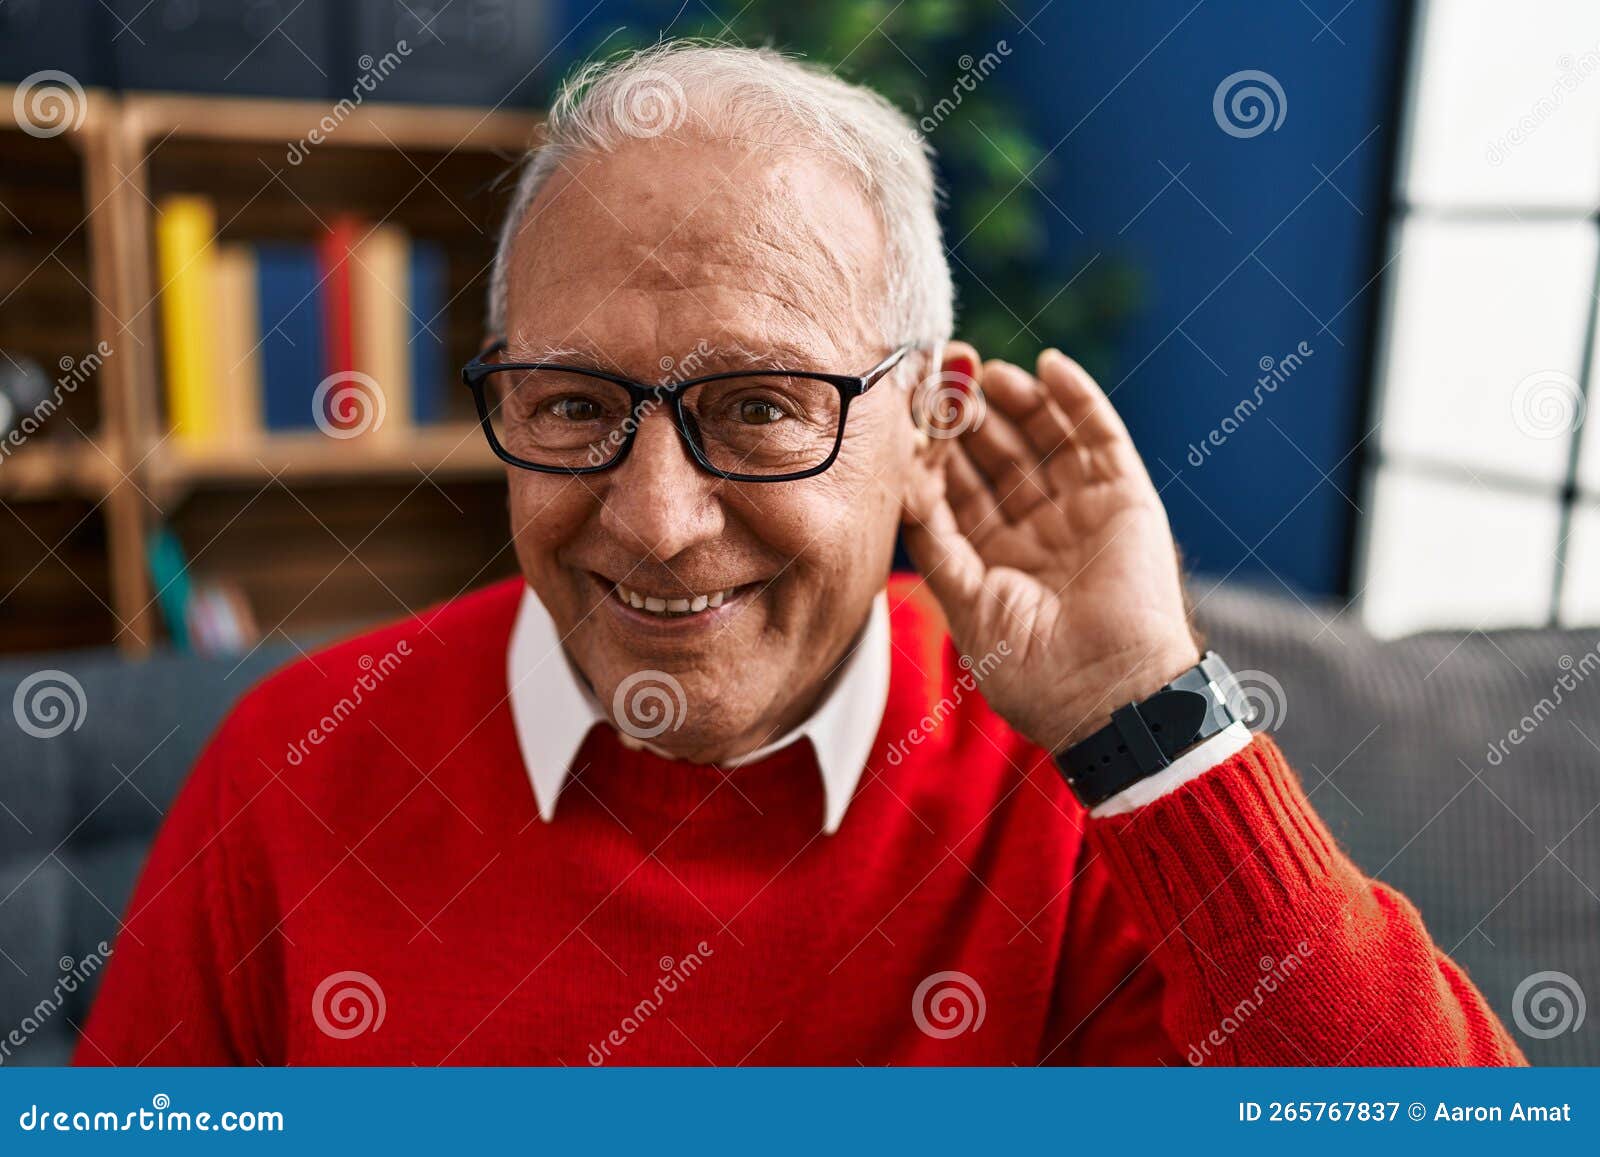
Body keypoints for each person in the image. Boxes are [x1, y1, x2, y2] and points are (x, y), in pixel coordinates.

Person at [78, 42, 1524, 1066]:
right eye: (575, 405)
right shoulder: (289, 764)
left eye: (760, 408)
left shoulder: (1089, 793)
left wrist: (1149, 713)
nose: (653, 519)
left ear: (930, 424)